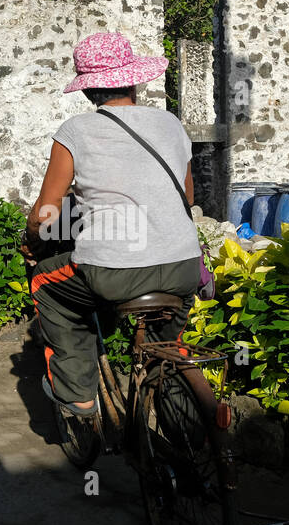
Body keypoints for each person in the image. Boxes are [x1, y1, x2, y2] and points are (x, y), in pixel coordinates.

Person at [23, 32, 201, 418]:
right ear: (133, 81)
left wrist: (33, 239)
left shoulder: (75, 130)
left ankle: (78, 395)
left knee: (46, 285)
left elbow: (46, 213)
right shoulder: (171, 124)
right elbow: (187, 198)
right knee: (165, 351)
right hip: (185, 266)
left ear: (89, 92)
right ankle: (183, 425)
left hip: (113, 272)